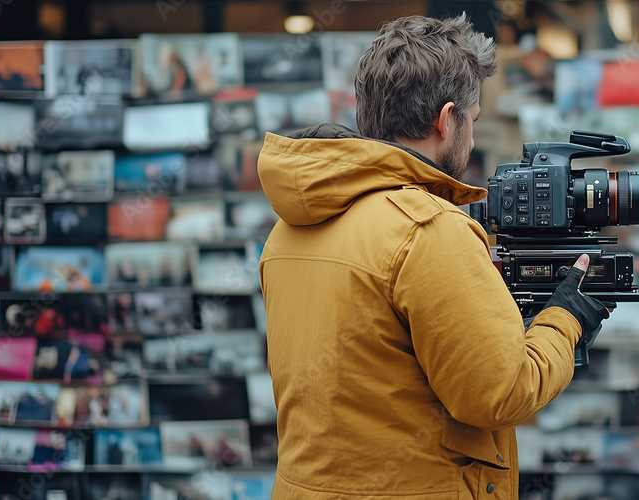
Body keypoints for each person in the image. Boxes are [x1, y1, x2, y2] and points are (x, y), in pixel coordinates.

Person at [257, 14, 609, 499]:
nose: (470, 134)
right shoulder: (428, 230)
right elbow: (500, 394)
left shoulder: (292, 225)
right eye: (473, 119)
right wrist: (564, 320)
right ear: (447, 121)